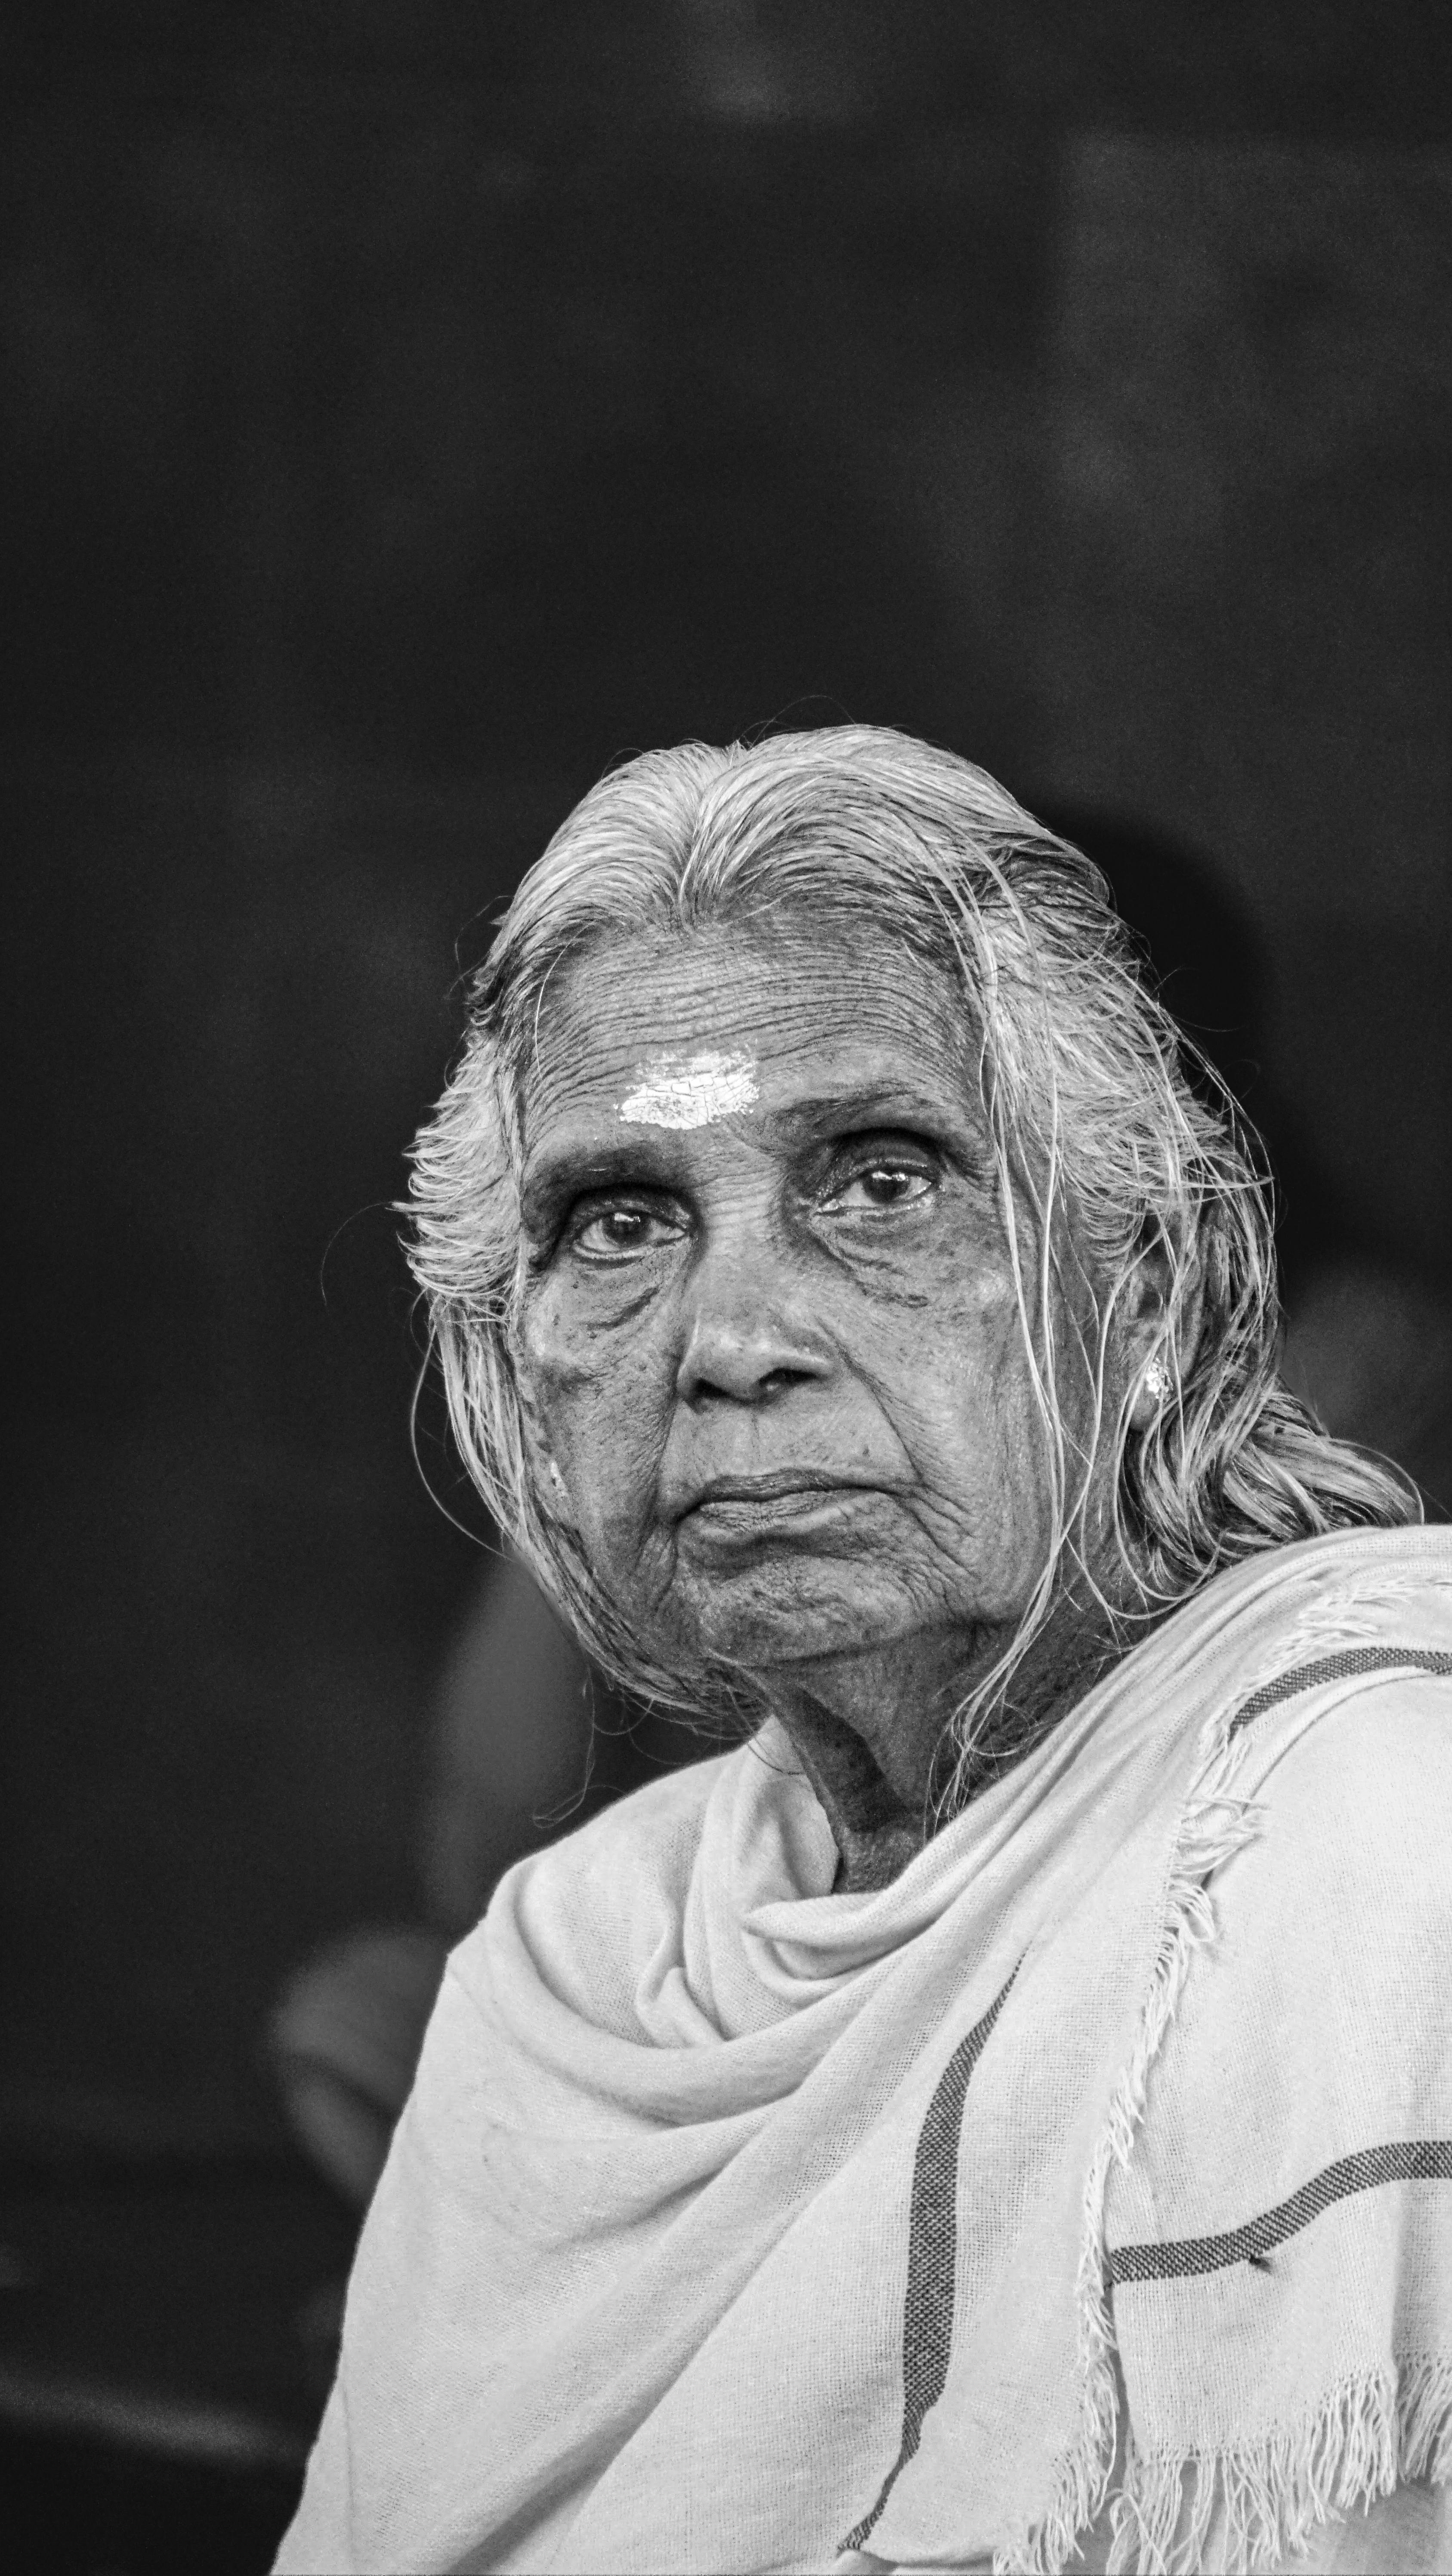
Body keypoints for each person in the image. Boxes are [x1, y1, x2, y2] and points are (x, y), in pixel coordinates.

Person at [276, 728, 1452, 2575]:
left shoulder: (1373, 1828)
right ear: (523, 1374)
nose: (732, 1333)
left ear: (1143, 1288)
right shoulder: (573, 1972)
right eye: (624, 1218)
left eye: (882, 1179)